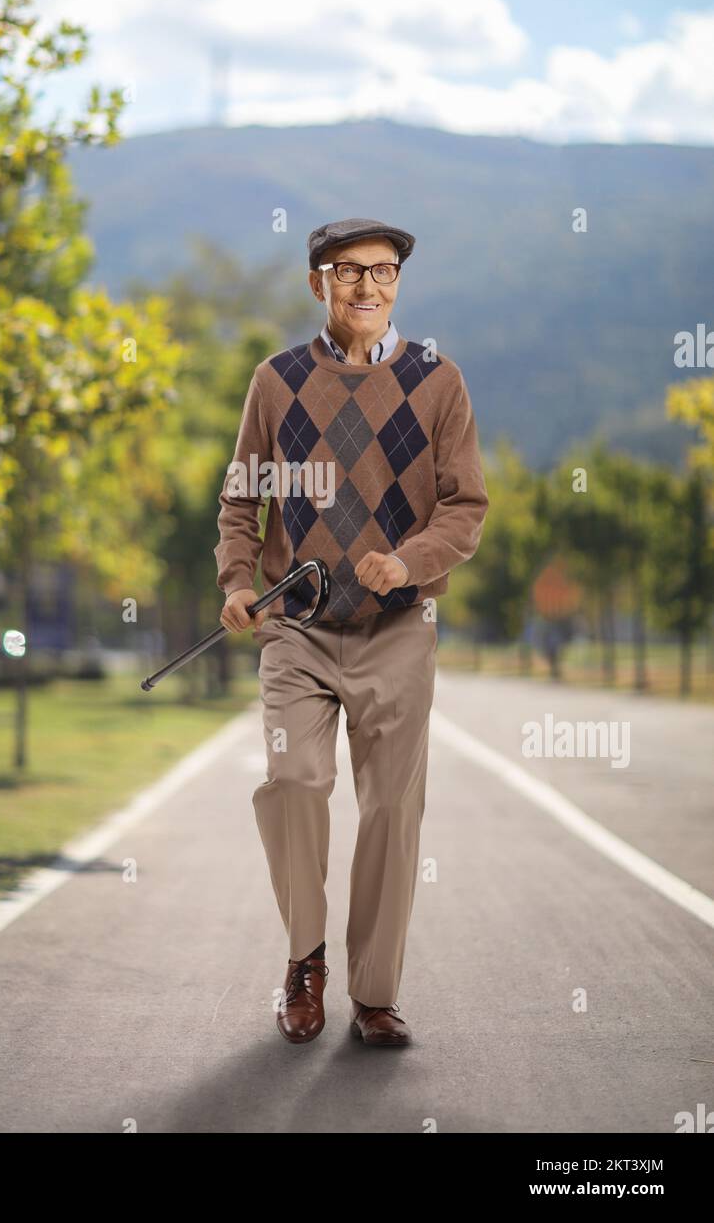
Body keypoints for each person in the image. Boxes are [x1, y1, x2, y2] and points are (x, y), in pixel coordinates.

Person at [215, 217, 489, 1046]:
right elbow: (241, 501)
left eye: (381, 270)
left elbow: (465, 507)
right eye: (346, 271)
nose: (366, 286)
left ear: (399, 281)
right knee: (293, 782)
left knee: (391, 811)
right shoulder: (276, 381)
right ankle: (306, 959)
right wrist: (236, 584)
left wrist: (407, 562)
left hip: (399, 627)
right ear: (317, 285)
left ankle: (374, 995)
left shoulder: (440, 383)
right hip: (296, 627)